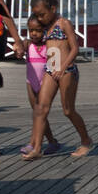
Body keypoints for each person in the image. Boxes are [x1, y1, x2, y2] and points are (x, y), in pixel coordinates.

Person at [22, 0, 93, 160]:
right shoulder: (45, 26)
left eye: (41, 14)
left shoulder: (64, 23)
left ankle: (86, 141)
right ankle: (37, 148)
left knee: (68, 110)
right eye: (36, 15)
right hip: (50, 70)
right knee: (41, 108)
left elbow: (75, 48)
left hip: (66, 70)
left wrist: (63, 67)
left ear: (53, 9)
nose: (39, 18)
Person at [19, 15, 61, 156]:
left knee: (39, 113)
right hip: (31, 83)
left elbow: (55, 60)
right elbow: (19, 50)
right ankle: (51, 141)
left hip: (45, 82)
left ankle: (33, 143)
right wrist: (18, 48)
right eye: (31, 30)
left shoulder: (48, 44)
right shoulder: (27, 44)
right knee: (37, 113)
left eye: (37, 30)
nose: (34, 34)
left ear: (44, 30)